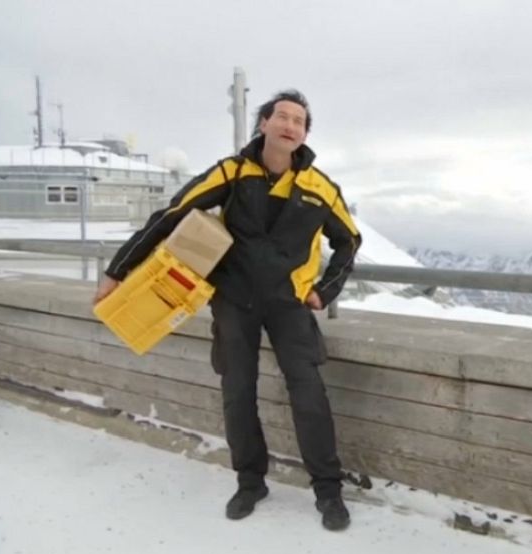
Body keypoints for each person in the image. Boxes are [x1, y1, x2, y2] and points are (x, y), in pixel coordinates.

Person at [93, 90, 361, 531]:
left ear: (304, 133)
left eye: (299, 121)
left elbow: (349, 240)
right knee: (238, 393)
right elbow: (171, 215)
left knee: (309, 394)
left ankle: (328, 490)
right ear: (263, 124)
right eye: (282, 117)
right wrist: (118, 270)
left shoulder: (319, 187)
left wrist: (324, 291)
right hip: (235, 300)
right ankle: (250, 481)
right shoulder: (232, 172)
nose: (290, 125)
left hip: (289, 304)